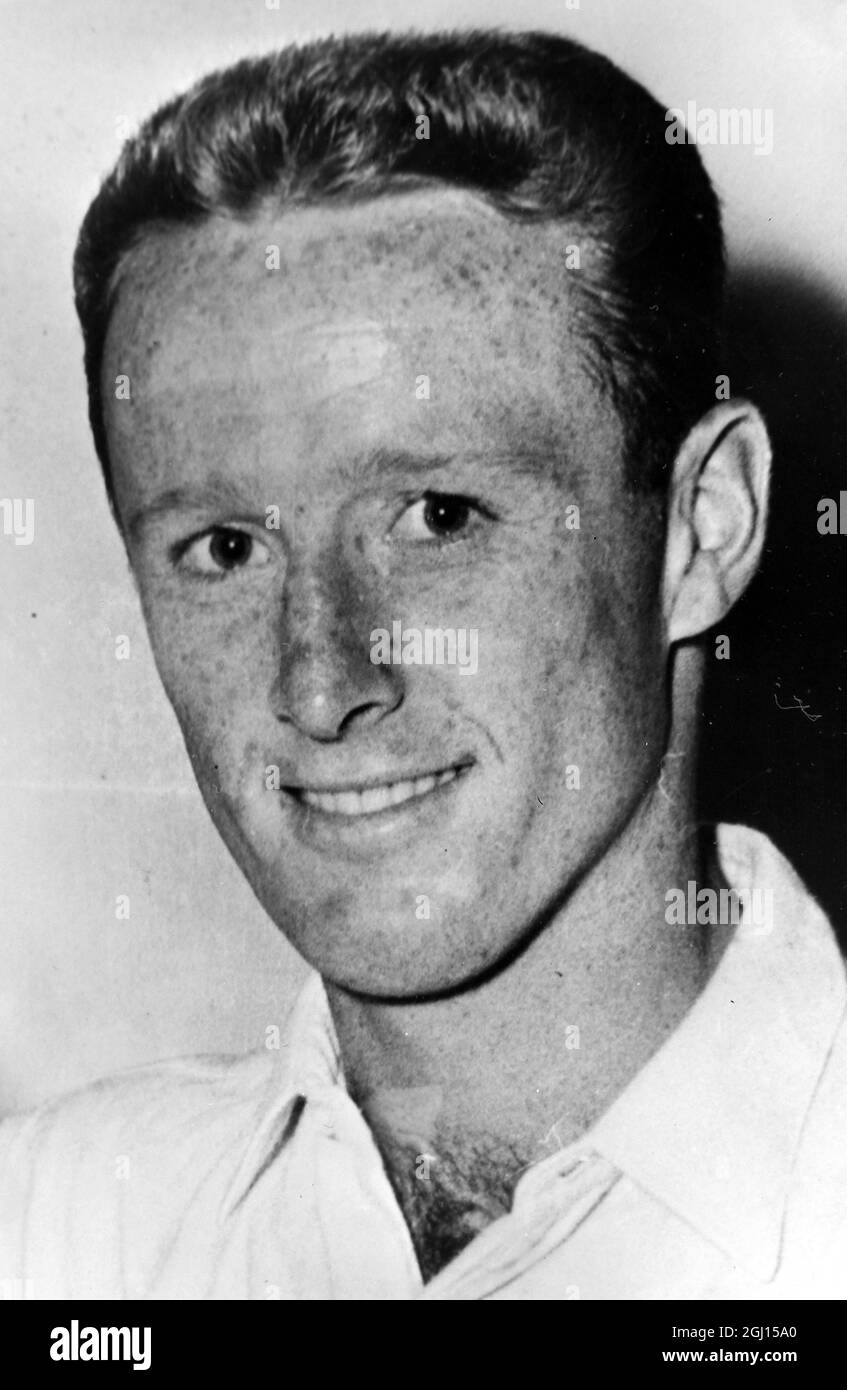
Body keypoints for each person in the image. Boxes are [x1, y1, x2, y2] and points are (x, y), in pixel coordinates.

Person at [2, 29, 845, 1301]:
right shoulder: (56, 1227)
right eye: (223, 546)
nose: (323, 681)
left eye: (439, 515)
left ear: (701, 528)